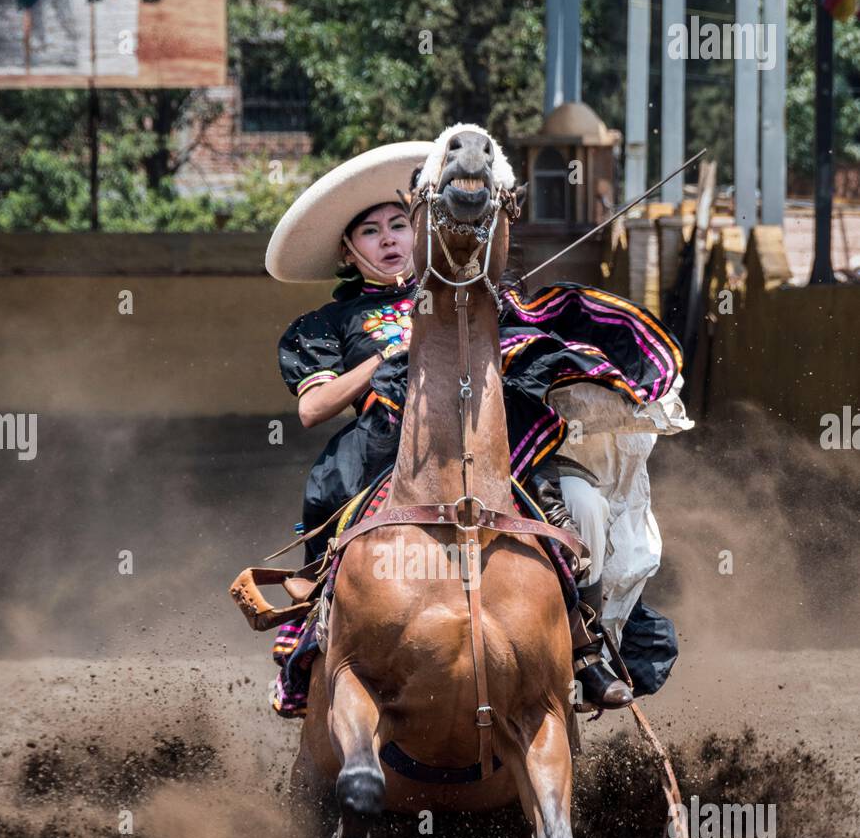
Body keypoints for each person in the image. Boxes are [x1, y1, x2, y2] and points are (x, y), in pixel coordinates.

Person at [264, 135, 689, 719]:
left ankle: (584, 648)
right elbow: (313, 409)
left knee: (586, 504)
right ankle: (322, 629)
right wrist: (393, 351)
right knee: (330, 500)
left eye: (398, 224)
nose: (389, 240)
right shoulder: (329, 322)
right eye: (370, 232)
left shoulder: (474, 294)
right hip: (390, 453)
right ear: (346, 252)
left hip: (500, 445)